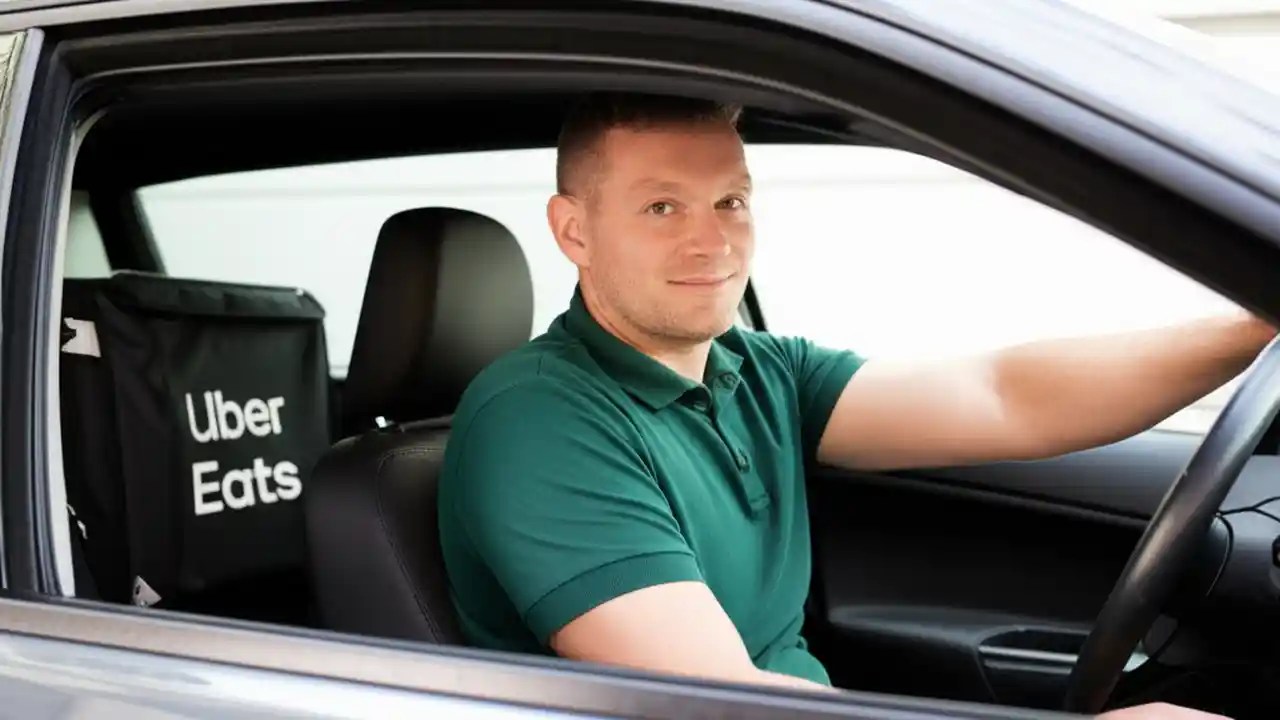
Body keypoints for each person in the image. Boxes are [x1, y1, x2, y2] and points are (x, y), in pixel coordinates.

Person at [437, 93, 1268, 719]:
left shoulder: (759, 371)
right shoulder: (539, 419)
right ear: (574, 232)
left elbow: (1004, 396)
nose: (713, 241)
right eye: (662, 207)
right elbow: (716, 705)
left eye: (730, 201)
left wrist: (1254, 328)